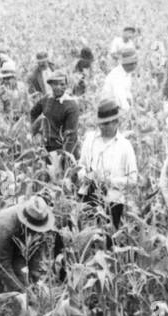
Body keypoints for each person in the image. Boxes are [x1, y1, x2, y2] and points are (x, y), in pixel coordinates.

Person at [0, 195, 58, 293]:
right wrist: (20, 291)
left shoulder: (34, 216)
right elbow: (2, 264)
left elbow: (35, 249)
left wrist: (34, 275)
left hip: (14, 243)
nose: (36, 231)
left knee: (23, 279)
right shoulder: (7, 228)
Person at [78, 99, 138, 229]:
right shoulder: (90, 139)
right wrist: (86, 176)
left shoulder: (125, 146)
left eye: (106, 124)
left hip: (113, 201)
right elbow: (80, 166)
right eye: (101, 124)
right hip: (88, 195)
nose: (102, 127)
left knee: (107, 238)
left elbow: (132, 180)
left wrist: (109, 181)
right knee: (86, 235)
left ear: (116, 122)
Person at [29, 70, 80, 163]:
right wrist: (36, 132)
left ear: (66, 85)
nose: (58, 87)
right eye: (55, 84)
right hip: (47, 146)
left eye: (62, 84)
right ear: (51, 85)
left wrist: (65, 158)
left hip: (62, 149)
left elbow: (71, 136)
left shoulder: (71, 105)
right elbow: (33, 112)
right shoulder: (47, 98)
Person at [100, 45, 138, 111]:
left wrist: (131, 104)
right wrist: (130, 112)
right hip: (109, 109)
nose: (135, 66)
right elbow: (121, 100)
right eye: (133, 63)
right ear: (127, 64)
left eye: (136, 63)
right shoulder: (117, 77)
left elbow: (127, 92)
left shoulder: (127, 72)